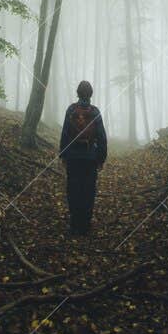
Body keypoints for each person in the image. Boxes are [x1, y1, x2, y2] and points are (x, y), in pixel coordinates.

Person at [59, 80, 107, 235]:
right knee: (88, 190)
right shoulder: (95, 111)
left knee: (73, 189)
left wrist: (63, 155)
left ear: (77, 93)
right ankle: (85, 224)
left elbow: (65, 133)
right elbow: (101, 137)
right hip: (90, 158)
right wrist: (101, 158)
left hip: (73, 156)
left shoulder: (71, 109)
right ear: (91, 94)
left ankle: (74, 223)